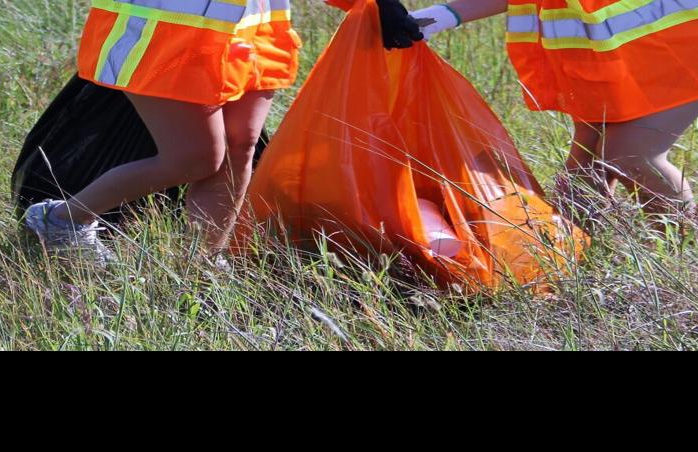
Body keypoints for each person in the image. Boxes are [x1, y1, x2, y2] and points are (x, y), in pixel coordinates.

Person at [23, 0, 427, 261]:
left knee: (240, 146)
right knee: (193, 158)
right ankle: (61, 221)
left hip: (248, 31)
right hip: (167, 31)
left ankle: (201, 265)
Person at [409, 0, 698, 219]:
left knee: (630, 154)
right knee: (586, 166)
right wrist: (439, 16)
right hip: (630, 49)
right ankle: (570, 260)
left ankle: (687, 262)